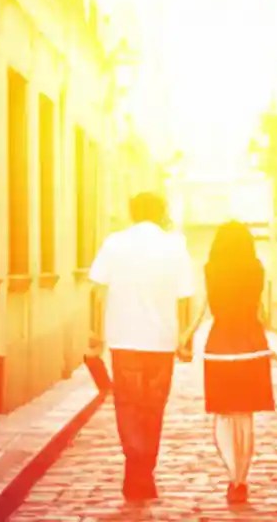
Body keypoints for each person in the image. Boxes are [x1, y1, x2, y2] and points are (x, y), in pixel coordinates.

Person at [88, 192, 195, 501]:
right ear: (161, 212)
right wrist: (185, 340)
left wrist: (94, 333)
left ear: (131, 212)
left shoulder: (114, 243)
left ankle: (135, 468)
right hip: (161, 341)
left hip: (124, 337)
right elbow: (185, 295)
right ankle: (144, 471)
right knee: (153, 408)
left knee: (128, 405)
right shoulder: (175, 245)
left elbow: (96, 289)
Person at [183, 220, 275, 504]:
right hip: (252, 345)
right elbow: (261, 310)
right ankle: (242, 480)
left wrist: (187, 334)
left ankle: (231, 473)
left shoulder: (211, 269)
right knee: (245, 417)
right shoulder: (256, 268)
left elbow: (204, 306)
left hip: (220, 345)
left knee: (224, 415)